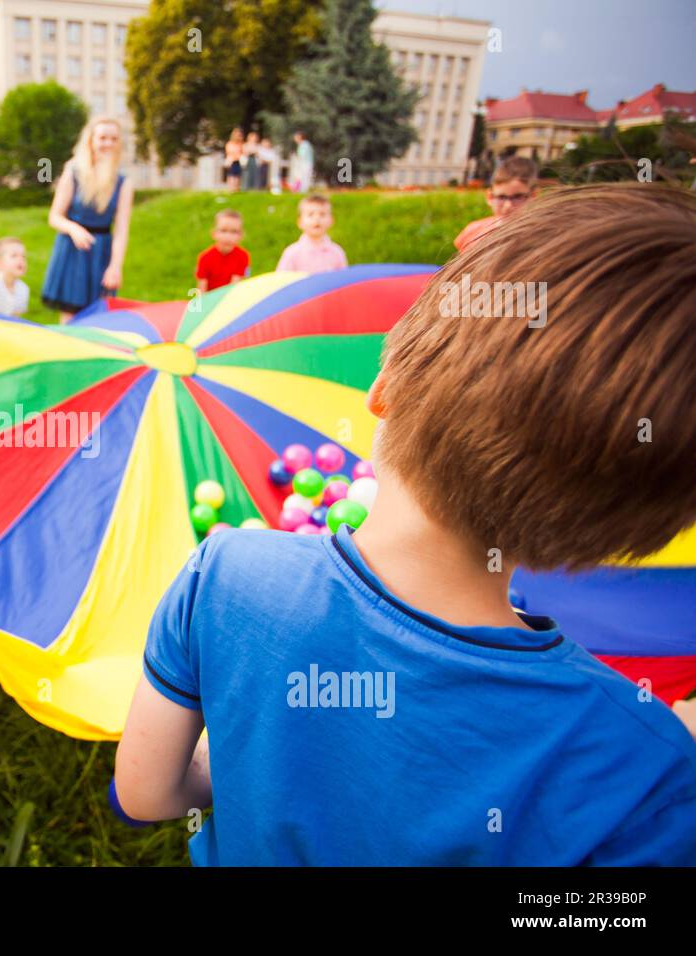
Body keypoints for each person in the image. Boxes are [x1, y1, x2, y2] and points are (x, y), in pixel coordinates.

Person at [113, 183, 696, 865]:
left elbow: (146, 796)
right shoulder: (644, 772)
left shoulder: (225, 576)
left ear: (383, 388)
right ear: (628, 539)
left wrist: (238, 752)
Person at [40, 116, 135, 323]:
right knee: (70, 316)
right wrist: (73, 229)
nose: (108, 143)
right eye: (103, 138)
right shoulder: (73, 171)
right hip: (73, 251)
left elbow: (121, 229)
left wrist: (115, 266)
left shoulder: (123, 182)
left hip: (102, 252)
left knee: (100, 315)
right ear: (91, 140)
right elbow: (54, 216)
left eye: (114, 139)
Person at [454, 155, 539, 253]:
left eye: (518, 197)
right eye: (501, 197)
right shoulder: (473, 232)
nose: (508, 205)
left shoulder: (539, 240)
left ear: (533, 196)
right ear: (490, 197)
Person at [276, 194, 348, 274]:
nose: (317, 219)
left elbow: (343, 281)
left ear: (331, 220)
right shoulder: (292, 253)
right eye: (310, 214)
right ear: (300, 222)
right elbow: (281, 280)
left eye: (322, 214)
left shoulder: (337, 252)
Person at [195, 210, 250, 293]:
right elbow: (201, 290)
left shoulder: (243, 256)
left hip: (231, 298)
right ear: (214, 234)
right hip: (209, 299)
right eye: (223, 230)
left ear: (240, 235)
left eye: (234, 231)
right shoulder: (204, 258)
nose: (228, 236)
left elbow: (235, 287)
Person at [223, 127, 244, 192]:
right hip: (231, 162)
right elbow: (230, 153)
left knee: (237, 175)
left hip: (238, 162)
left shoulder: (241, 144)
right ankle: (231, 189)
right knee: (231, 175)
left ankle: (236, 189)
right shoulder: (229, 144)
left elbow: (242, 152)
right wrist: (236, 155)